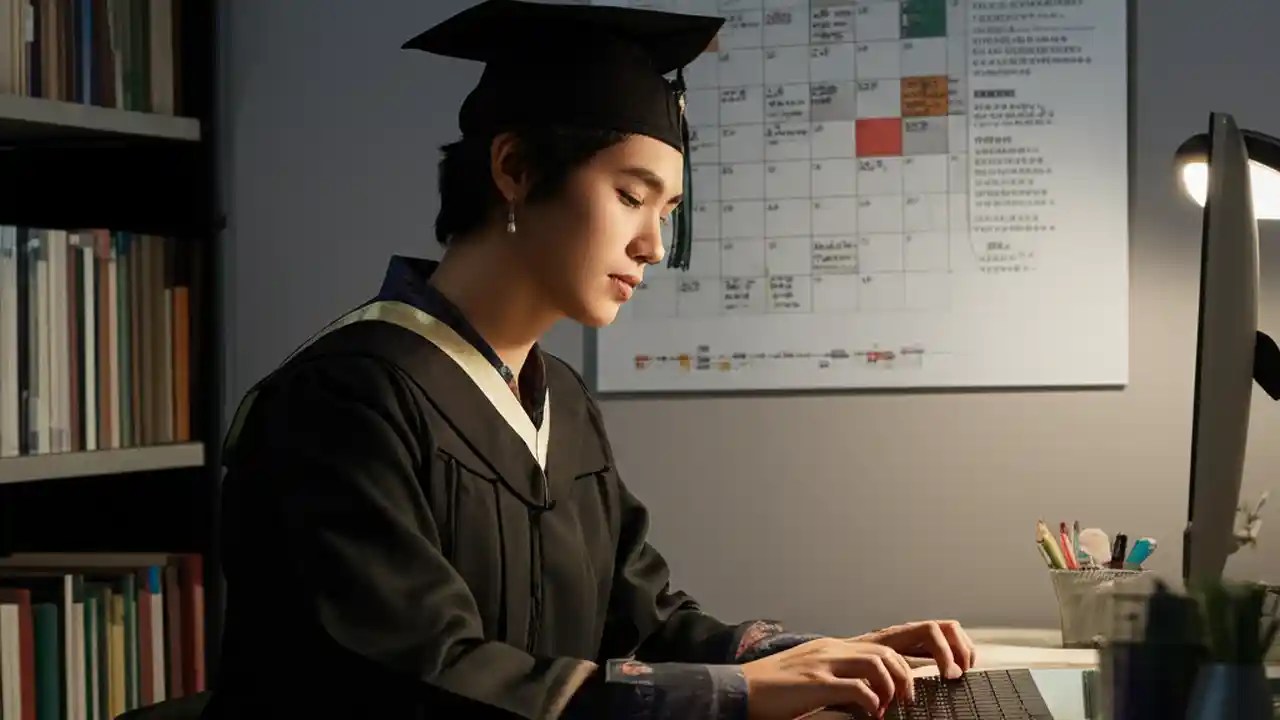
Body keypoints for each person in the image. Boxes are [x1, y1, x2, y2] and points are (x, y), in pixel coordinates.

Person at [203, 1, 977, 718]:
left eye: (667, 212)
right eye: (630, 197)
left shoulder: (558, 399)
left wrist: (817, 655)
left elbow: (645, 617)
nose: (653, 246)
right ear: (514, 169)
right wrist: (734, 695)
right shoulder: (344, 400)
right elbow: (425, 672)